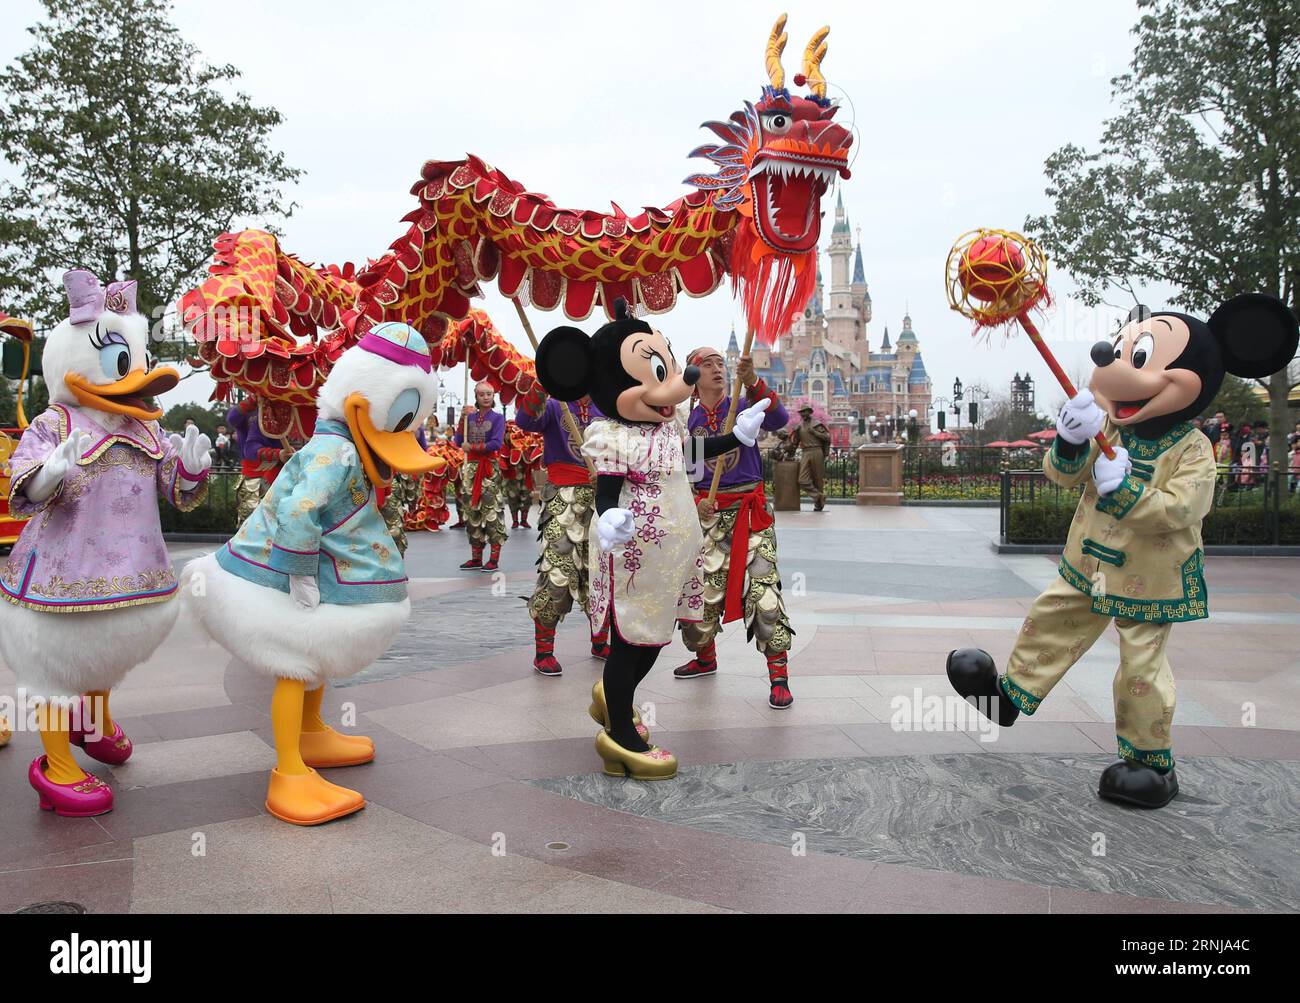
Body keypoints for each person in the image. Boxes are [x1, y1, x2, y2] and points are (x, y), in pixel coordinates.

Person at [948, 296, 1298, 809]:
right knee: (1051, 621)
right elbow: (1063, 474)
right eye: (1120, 351)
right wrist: (1069, 441)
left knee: (1141, 667)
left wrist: (1128, 491)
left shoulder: (1192, 448)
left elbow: (1183, 509)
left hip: (1152, 576)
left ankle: (1151, 764)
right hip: (1087, 562)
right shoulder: (1110, 430)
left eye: (1141, 357)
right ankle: (1008, 697)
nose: (1115, 367)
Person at [531, 301, 770, 781]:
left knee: (656, 637)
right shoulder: (613, 436)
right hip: (636, 558)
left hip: (672, 559)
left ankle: (613, 700)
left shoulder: (666, 428)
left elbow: (690, 453)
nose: (673, 386)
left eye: (666, 367)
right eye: (652, 372)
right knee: (629, 642)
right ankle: (619, 737)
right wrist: (607, 516)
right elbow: (606, 490)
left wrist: (738, 440)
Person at [676, 347, 795, 708]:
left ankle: (779, 677)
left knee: (763, 595)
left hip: (749, 514)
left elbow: (778, 420)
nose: (717, 369)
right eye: (706, 364)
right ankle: (705, 657)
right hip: (710, 518)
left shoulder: (744, 407)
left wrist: (755, 381)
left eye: (720, 364)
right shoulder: (691, 420)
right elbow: (693, 473)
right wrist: (700, 502)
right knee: (700, 594)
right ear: (693, 379)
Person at [515, 383, 606, 676]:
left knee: (603, 571)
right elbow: (525, 420)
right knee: (557, 572)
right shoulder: (555, 405)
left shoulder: (608, 406)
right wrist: (541, 387)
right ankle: (544, 650)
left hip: (603, 499)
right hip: (562, 501)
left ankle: (601, 640)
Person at [454, 381, 507, 571]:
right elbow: (459, 441)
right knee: (471, 511)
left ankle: (493, 559)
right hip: (470, 468)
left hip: (489, 470)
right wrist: (462, 418)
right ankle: (476, 557)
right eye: (482, 394)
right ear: (476, 397)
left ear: (493, 397)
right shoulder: (469, 417)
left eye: (489, 394)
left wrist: (474, 447)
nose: (486, 397)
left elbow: (496, 444)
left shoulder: (498, 418)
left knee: (492, 512)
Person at [227, 397, 293, 523]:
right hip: (254, 474)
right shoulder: (250, 410)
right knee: (250, 521)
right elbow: (232, 418)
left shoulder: (287, 407)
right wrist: (252, 400)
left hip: (284, 472)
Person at [794, 404, 831, 510]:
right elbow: (795, 442)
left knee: (817, 479)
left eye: (804, 412)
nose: (802, 414)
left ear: (809, 412)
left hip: (816, 451)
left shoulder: (816, 424)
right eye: (801, 412)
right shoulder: (800, 426)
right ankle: (819, 496)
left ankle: (818, 504)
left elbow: (827, 438)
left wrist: (815, 432)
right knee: (802, 479)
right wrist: (796, 433)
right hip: (805, 452)